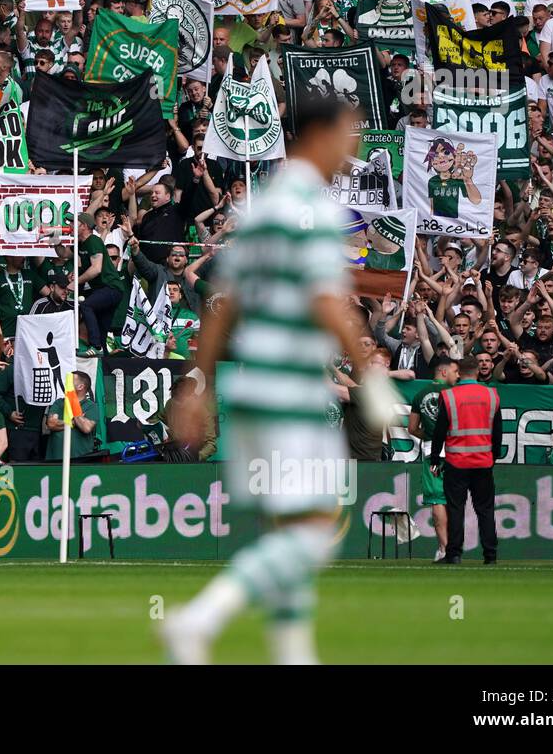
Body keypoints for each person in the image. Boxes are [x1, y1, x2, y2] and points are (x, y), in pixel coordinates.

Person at [159, 90, 397, 665]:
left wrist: (202, 383)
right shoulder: (309, 208)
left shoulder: (263, 207)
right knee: (315, 530)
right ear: (322, 134)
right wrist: (371, 375)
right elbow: (326, 300)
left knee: (290, 528)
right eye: (352, 131)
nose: (356, 143)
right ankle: (199, 619)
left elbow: (225, 303)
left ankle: (293, 651)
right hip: (290, 388)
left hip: (260, 388)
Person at [431, 355, 502, 565]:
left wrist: (436, 457)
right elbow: (498, 430)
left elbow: (439, 430)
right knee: (486, 509)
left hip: (456, 461)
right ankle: (490, 555)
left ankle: (454, 554)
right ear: (478, 371)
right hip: (483, 461)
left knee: (455, 508)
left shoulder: (449, 396)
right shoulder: (492, 395)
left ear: (459, 372)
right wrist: (494, 455)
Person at [407, 356, 458, 561]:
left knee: (437, 500)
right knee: (454, 501)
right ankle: (454, 548)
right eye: (454, 371)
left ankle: (444, 548)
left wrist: (430, 436)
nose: (457, 375)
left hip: (432, 453)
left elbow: (411, 428)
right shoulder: (454, 394)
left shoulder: (420, 394)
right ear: (443, 371)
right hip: (456, 452)